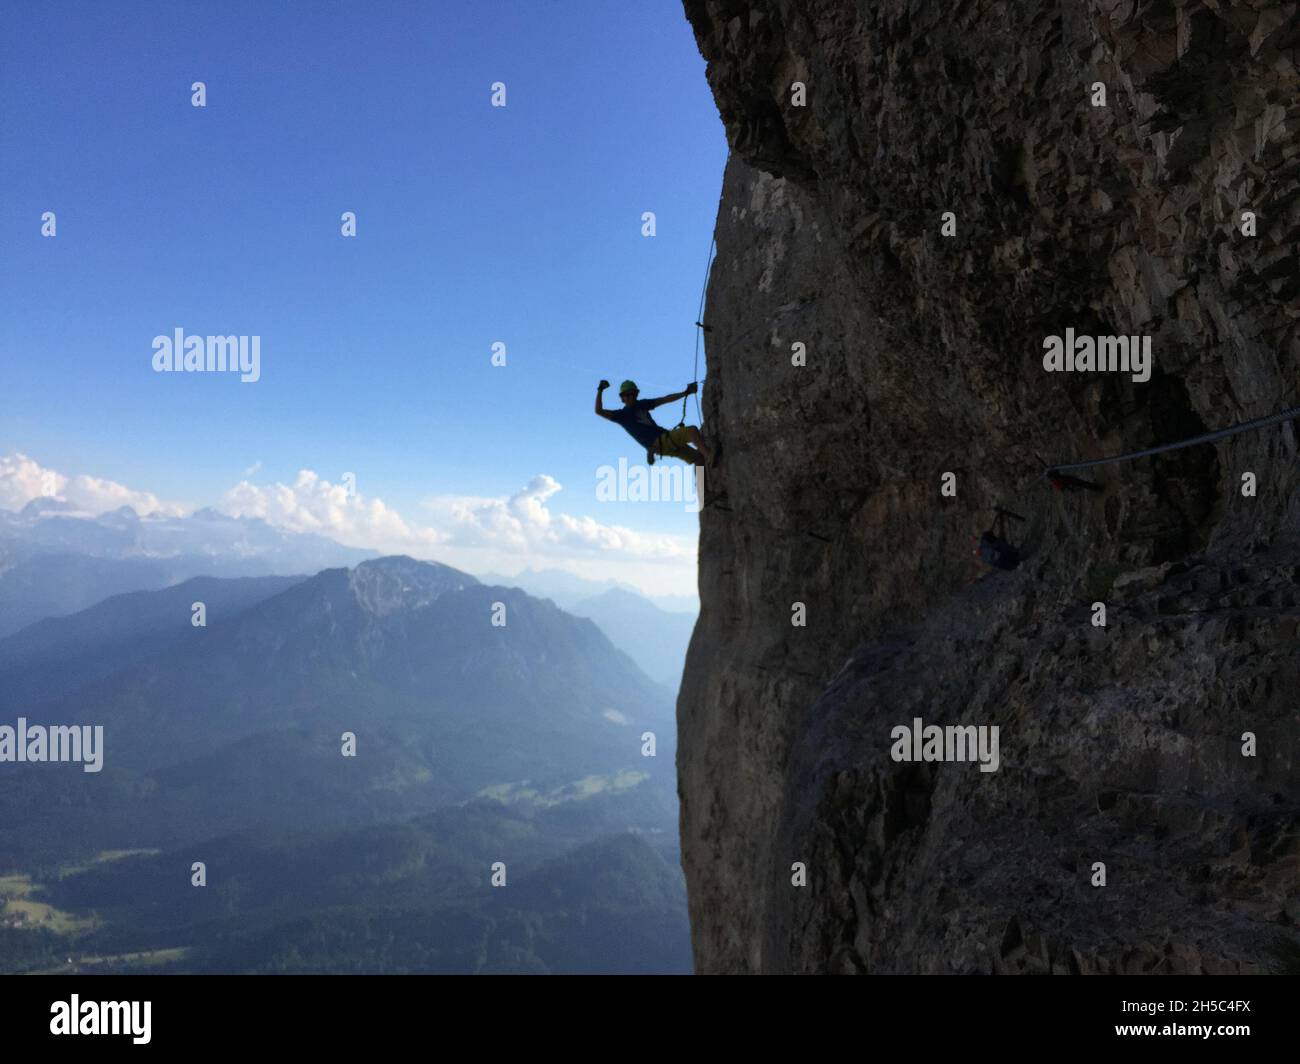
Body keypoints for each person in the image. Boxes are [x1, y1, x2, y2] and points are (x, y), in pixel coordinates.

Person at [595, 379, 709, 466]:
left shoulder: (642, 404)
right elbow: (599, 411)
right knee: (692, 431)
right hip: (660, 441)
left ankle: (704, 494)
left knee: (698, 459)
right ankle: (710, 456)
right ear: (622, 398)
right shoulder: (622, 415)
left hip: (661, 444)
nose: (631, 396)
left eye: (633, 394)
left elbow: (665, 399)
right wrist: (600, 390)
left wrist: (685, 393)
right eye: (628, 394)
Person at [974, 506, 1024, 571]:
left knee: (1006, 555)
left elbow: (991, 559)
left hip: (997, 556)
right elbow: (992, 550)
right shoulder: (984, 547)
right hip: (997, 555)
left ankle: (1016, 563)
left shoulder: (984, 549)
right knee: (1006, 555)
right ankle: (1017, 562)